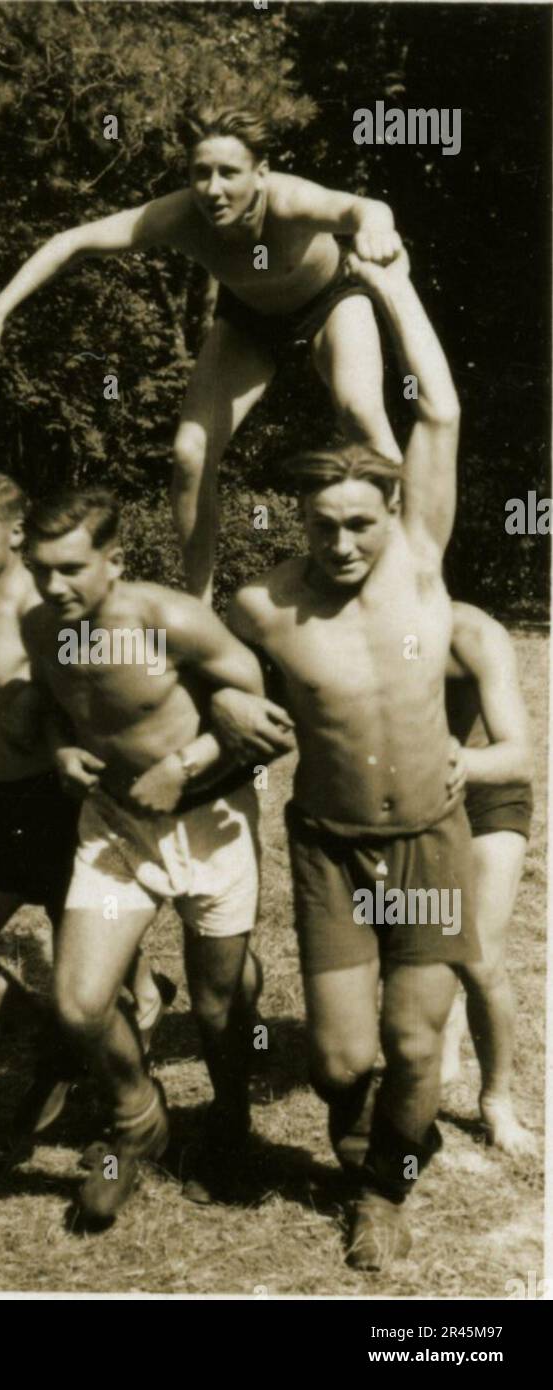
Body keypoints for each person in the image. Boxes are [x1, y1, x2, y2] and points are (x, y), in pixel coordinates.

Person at [211, 247, 479, 1271]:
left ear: (388, 513)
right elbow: (197, 667)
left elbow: (440, 412)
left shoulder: (417, 563)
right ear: (299, 522)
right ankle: (371, 1129)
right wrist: (231, 695)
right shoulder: (265, 607)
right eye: (323, 526)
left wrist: (392, 283)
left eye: (360, 523)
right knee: (337, 1060)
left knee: (412, 1045)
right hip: (327, 846)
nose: (343, 544)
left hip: (425, 838)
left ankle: (381, 1186)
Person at [0, 106, 402, 602]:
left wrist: (375, 229)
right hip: (249, 321)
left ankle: (406, 578)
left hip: (331, 301)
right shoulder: (179, 215)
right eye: (201, 173)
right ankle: (200, 608)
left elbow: (367, 208)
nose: (213, 190)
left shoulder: (292, 200)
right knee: (189, 454)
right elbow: (72, 242)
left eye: (229, 173)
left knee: (360, 411)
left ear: (260, 172)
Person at [20, 487, 293, 1225]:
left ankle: (230, 1124)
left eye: (71, 569)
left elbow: (260, 707)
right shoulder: (40, 625)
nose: (54, 586)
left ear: (114, 560)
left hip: (209, 826)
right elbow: (57, 704)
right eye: (39, 569)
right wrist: (62, 749)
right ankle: (135, 1119)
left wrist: (186, 763)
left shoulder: (169, 617)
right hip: (114, 829)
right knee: (79, 1004)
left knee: (216, 1002)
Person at [0, 348, 167, 1142]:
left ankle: (124, 1104)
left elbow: (117, 657)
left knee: (90, 989)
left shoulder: (37, 595)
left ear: (18, 535)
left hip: (63, 806)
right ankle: (54, 1052)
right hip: (5, 804)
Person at [440, 601, 536, 1157]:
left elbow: (518, 759)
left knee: (478, 955)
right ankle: (447, 1024)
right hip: (418, 800)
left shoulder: (473, 631)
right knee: (423, 944)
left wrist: (452, 761)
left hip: (488, 793)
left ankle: (497, 1100)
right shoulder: (351, 620)